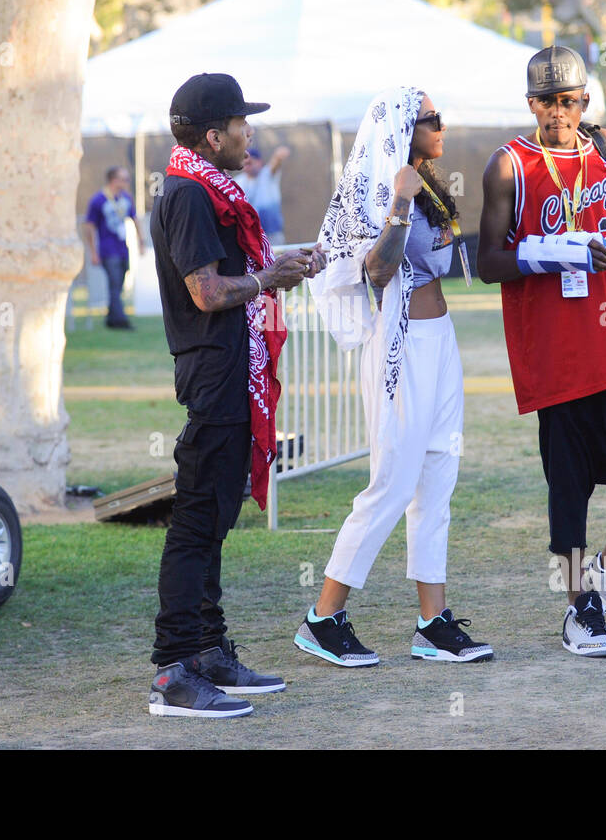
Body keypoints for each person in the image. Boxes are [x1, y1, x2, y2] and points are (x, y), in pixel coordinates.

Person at [477, 45, 606, 658]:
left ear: (585, 100)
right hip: (560, 346)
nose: (558, 112)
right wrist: (553, 251)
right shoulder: (508, 165)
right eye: (546, 101)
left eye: (568, 101)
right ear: (530, 103)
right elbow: (486, 263)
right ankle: (576, 608)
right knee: (569, 486)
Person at [295, 87, 493, 668]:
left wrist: (415, 195)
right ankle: (323, 616)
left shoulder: (426, 179)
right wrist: (399, 207)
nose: (442, 124)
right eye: (432, 117)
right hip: (398, 344)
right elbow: (375, 270)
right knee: (393, 481)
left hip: (440, 341)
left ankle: (433, 622)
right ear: (405, 126)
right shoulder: (382, 188)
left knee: (438, 474)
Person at [147, 73, 322, 718]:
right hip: (214, 373)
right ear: (214, 135)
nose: (252, 133)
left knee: (215, 517)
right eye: (243, 123)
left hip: (227, 368)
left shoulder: (209, 188)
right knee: (196, 521)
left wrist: (285, 267)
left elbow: (234, 281)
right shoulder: (189, 194)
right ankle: (174, 670)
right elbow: (208, 292)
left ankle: (209, 650)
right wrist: (269, 277)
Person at [81, 166, 141, 329]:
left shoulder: (126, 198)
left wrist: (140, 241)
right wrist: (93, 251)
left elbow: (134, 219)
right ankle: (120, 321)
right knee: (114, 283)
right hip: (108, 249)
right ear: (113, 180)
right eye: (124, 179)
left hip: (123, 248)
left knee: (119, 284)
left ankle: (111, 318)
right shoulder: (98, 199)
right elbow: (89, 226)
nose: (126, 183)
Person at [234, 146, 290, 246]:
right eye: (245, 163)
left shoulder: (267, 175)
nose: (247, 166)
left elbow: (274, 164)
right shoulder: (238, 182)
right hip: (252, 235)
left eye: (250, 163)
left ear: (259, 162)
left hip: (273, 233)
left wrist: (278, 156)